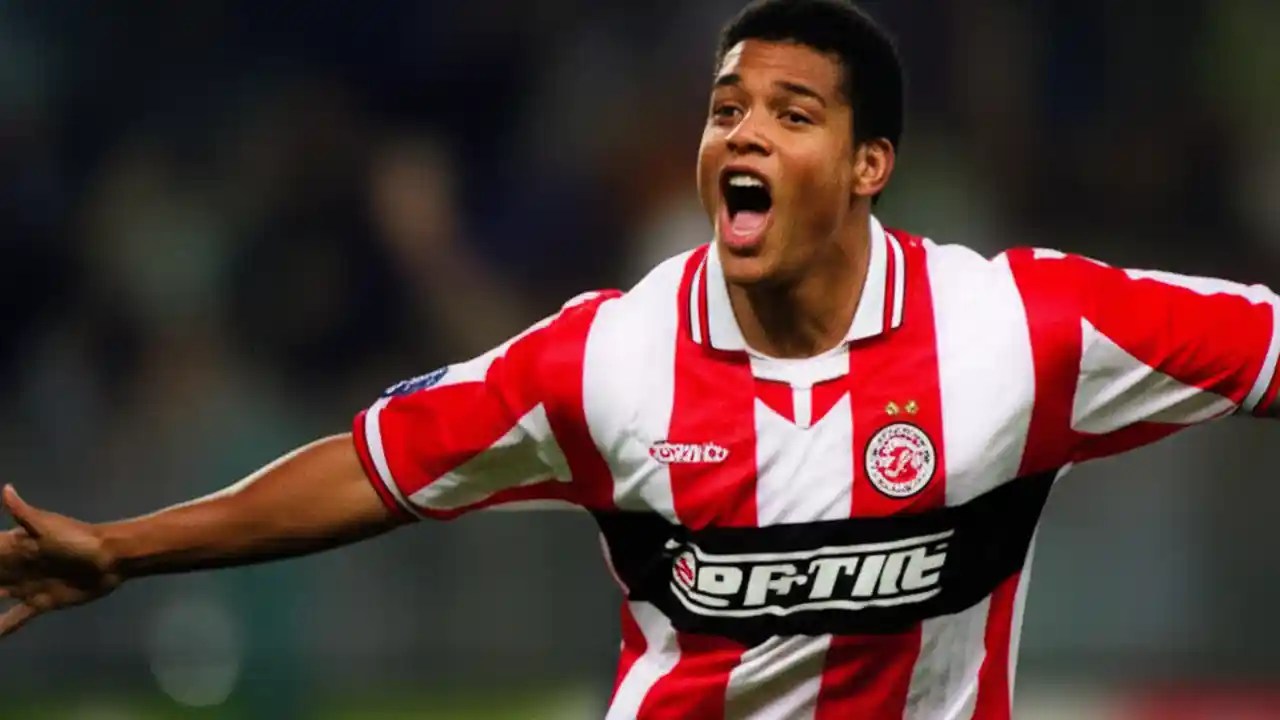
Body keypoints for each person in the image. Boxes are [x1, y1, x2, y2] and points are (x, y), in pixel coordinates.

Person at [3, 0, 1277, 717]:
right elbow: (374, 468)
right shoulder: (609, 360)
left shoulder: (1015, 333)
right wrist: (121, 550)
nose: (743, 133)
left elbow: (1265, 345)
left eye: (791, 114)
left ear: (868, 166)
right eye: (726, 108)